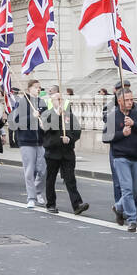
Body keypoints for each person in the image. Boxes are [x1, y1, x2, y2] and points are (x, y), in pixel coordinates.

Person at [103, 89, 137, 233]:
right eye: (127, 100)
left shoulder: (136, 113)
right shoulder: (113, 116)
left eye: (131, 99)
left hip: (135, 157)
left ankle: (118, 207)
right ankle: (131, 219)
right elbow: (105, 137)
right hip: (120, 157)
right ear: (120, 101)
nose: (130, 102)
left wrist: (134, 124)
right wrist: (121, 134)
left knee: (135, 190)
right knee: (127, 189)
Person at [40, 87, 89, 216]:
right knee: (51, 179)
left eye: (62, 99)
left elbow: (77, 131)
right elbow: (46, 128)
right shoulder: (47, 114)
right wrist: (57, 115)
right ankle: (51, 204)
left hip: (67, 152)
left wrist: (70, 138)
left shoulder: (69, 115)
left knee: (70, 179)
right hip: (52, 152)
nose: (60, 101)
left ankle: (77, 204)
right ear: (52, 101)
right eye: (58, 99)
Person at [10, 79, 47, 208]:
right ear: (29, 88)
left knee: (42, 170)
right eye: (36, 87)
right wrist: (32, 116)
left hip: (40, 141)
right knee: (29, 170)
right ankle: (31, 197)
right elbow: (16, 121)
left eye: (40, 88)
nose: (38, 90)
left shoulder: (42, 103)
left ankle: (38, 192)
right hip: (26, 140)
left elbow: (47, 119)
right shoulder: (22, 102)